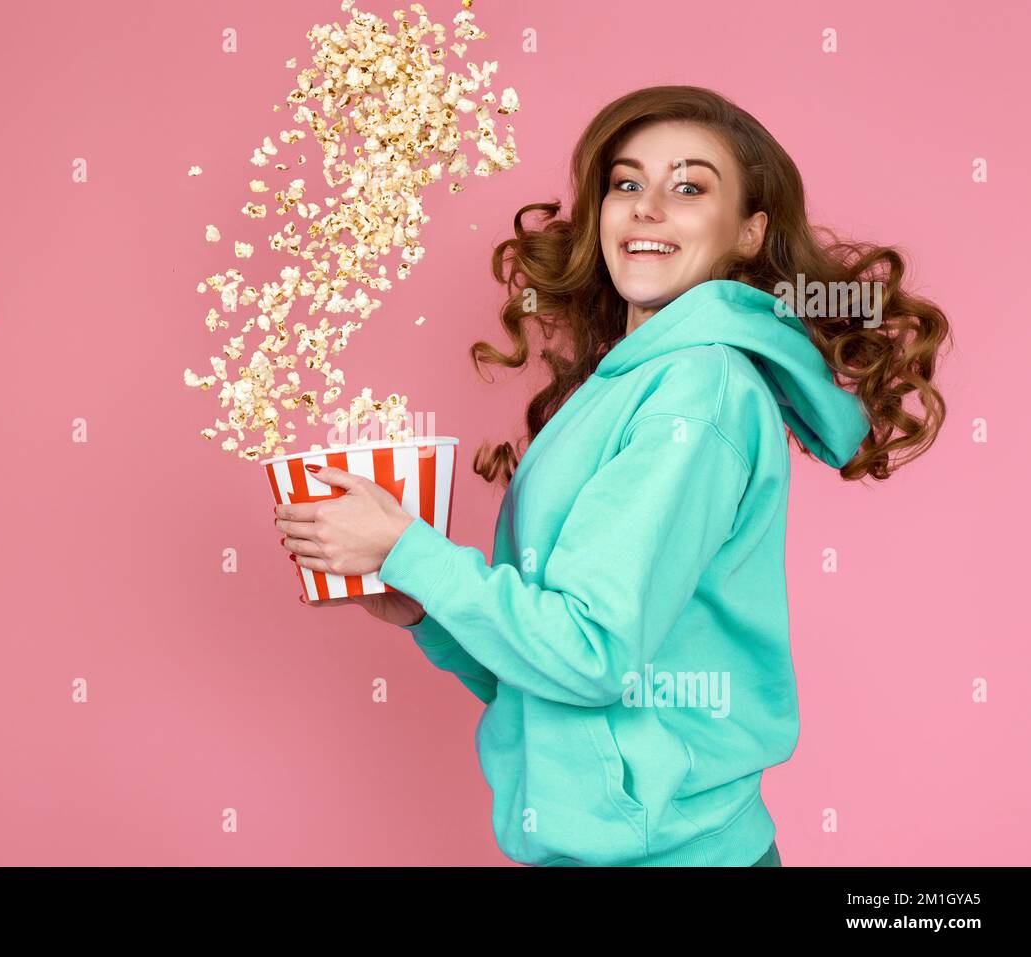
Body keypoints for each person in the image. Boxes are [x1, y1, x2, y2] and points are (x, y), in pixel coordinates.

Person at [272, 85, 950, 866]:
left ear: (748, 233)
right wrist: (425, 607)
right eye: (626, 184)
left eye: (689, 188)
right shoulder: (622, 386)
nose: (647, 208)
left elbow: (592, 655)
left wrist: (413, 549)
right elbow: (545, 675)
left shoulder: (698, 391)